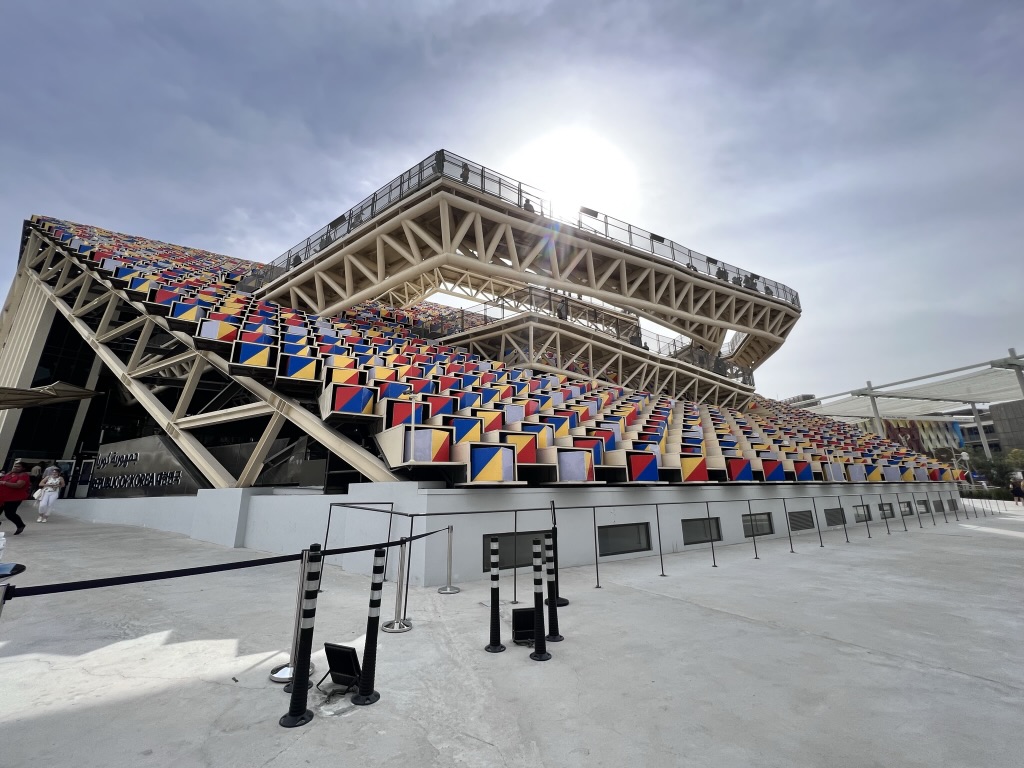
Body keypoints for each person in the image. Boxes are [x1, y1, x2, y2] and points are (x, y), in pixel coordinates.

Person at [0, 461, 32, 535]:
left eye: (18, 466)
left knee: (9, 513)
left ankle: (20, 525)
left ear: (23, 468)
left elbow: (19, 485)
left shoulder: (23, 475)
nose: (15, 467)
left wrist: (4, 483)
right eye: (15, 466)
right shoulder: (10, 473)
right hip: (3, 497)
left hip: (14, 498)